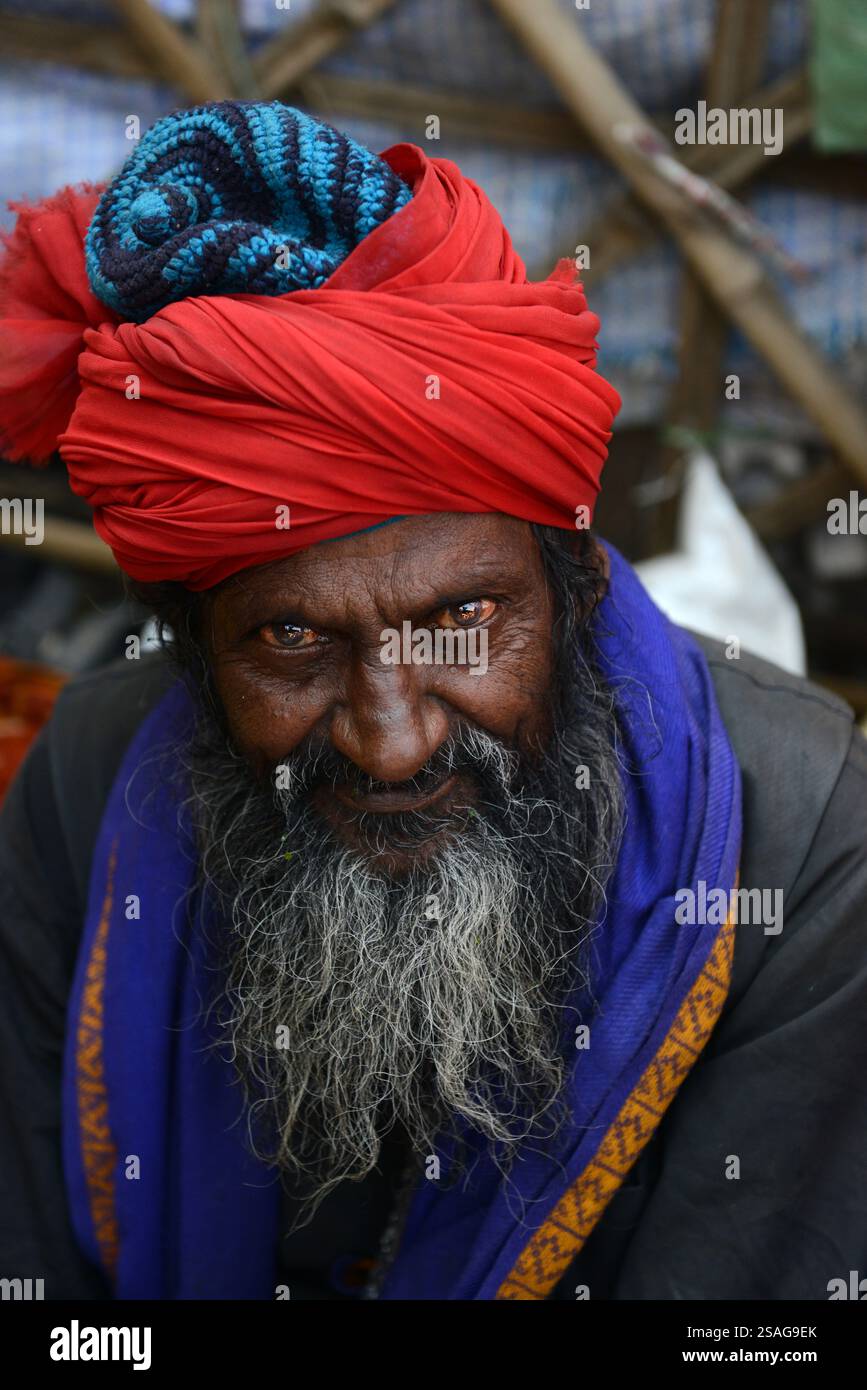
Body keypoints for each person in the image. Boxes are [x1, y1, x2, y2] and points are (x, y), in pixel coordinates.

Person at [0, 101, 865, 1302]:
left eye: (462, 621)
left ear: (573, 589)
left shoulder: (803, 834)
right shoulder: (87, 783)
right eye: (292, 640)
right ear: (195, 652)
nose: (393, 739)